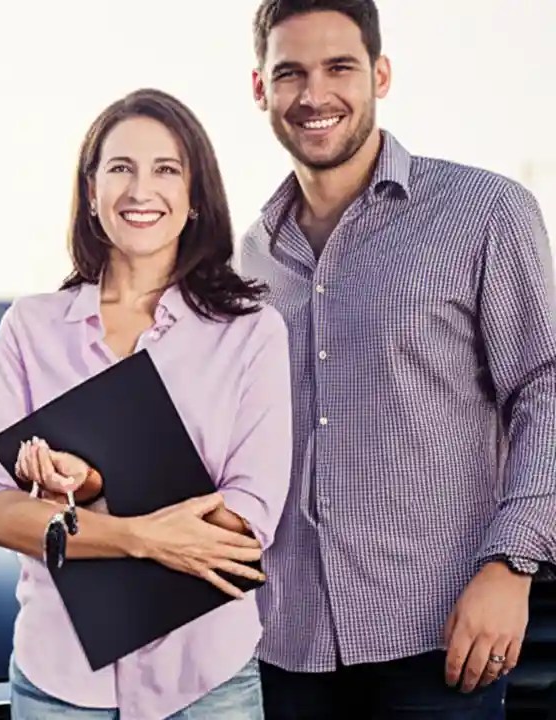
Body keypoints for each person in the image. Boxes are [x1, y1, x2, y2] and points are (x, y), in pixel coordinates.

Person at [239, 1, 556, 718]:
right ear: (260, 89)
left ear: (380, 74)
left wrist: (512, 564)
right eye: (290, 73)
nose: (314, 95)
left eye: (339, 68)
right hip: (283, 646)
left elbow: (545, 389)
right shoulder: (250, 257)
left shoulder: (484, 211)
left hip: (441, 636)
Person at [0, 87, 294, 719]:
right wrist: (141, 536)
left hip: (205, 678)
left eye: (166, 169)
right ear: (91, 192)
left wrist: (85, 494)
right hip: (61, 676)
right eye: (120, 168)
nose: (142, 190)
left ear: (195, 197)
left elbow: (246, 523)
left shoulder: (251, 332)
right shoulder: (31, 328)